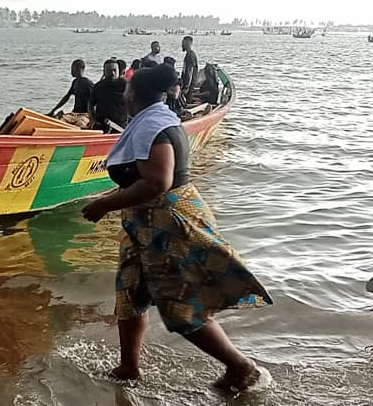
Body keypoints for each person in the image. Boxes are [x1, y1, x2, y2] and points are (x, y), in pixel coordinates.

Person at [81, 64, 272, 392]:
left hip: (168, 223)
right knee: (130, 294)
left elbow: (157, 182)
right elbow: (140, 180)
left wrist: (103, 204)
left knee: (179, 305)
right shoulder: (157, 118)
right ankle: (129, 368)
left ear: (133, 96)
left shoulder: (152, 126)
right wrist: (115, 202)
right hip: (143, 223)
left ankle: (242, 368)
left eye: (127, 91)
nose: (124, 95)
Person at [48, 59, 94, 128]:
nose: (71, 71)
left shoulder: (88, 84)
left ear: (79, 68)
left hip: (85, 115)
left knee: (80, 125)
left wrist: (93, 119)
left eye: (73, 68)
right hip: (74, 114)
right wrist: (53, 110)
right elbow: (66, 97)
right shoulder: (75, 82)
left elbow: (94, 102)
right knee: (58, 122)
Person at [89, 59, 128, 132]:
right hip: (101, 125)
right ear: (104, 72)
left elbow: (134, 102)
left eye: (114, 70)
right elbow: (90, 104)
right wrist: (92, 120)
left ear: (118, 71)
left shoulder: (125, 85)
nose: (113, 73)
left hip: (120, 126)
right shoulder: (98, 86)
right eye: (110, 71)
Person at [180, 36, 199, 101]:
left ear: (188, 43)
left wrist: (186, 87)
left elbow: (190, 72)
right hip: (188, 84)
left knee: (188, 100)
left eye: (183, 43)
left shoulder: (190, 55)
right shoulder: (188, 54)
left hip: (190, 85)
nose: (182, 45)